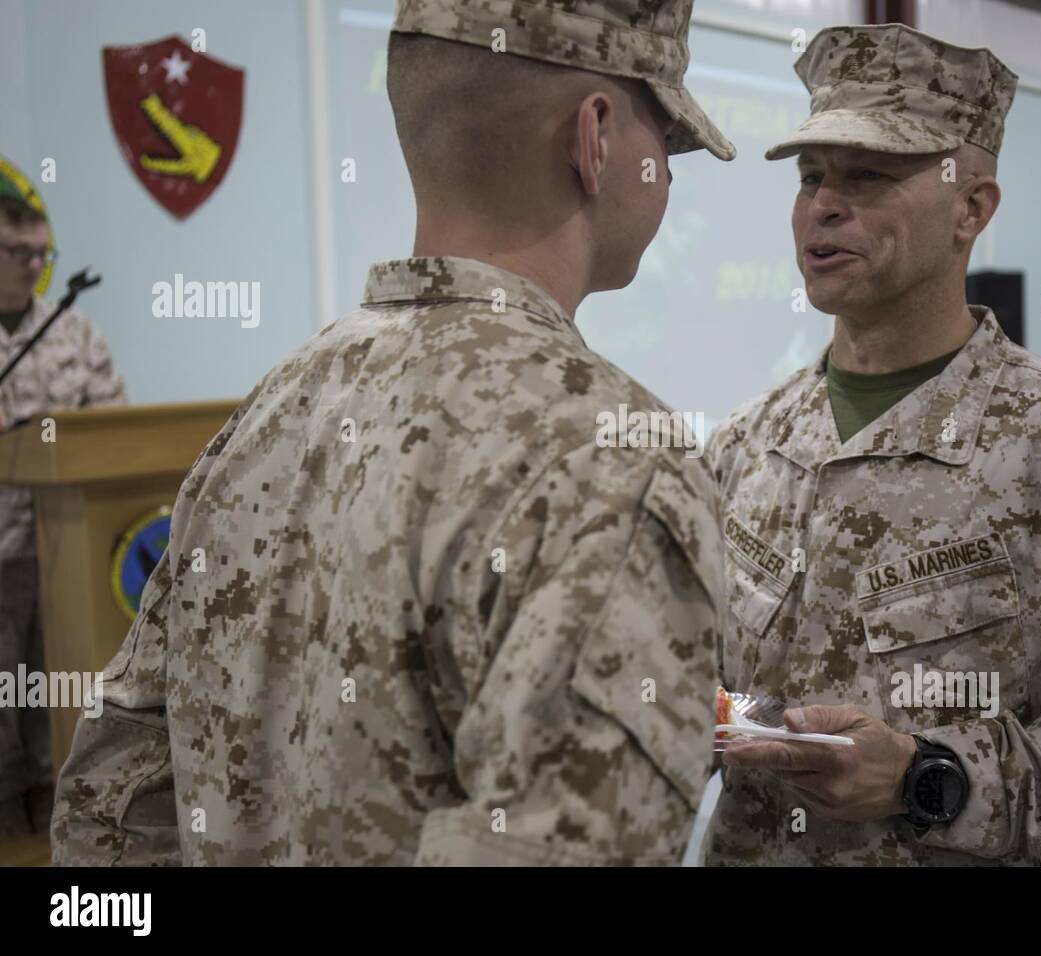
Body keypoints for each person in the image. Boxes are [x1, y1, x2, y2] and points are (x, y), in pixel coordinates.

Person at [52, 0, 734, 866]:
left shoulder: (265, 415)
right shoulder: (617, 459)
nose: (668, 175)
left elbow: (107, 812)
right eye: (665, 140)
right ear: (593, 136)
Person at [703, 24, 1041, 866]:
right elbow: (701, 688)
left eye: (870, 176)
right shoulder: (747, 447)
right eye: (812, 177)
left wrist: (929, 777)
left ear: (973, 208)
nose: (823, 204)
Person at [0, 193, 126, 839]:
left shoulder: (74, 331)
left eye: (40, 253)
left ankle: (67, 806)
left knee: (65, 679)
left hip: (69, 544)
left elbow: (114, 427)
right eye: (17, 252)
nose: (32, 265)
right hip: (1, 547)